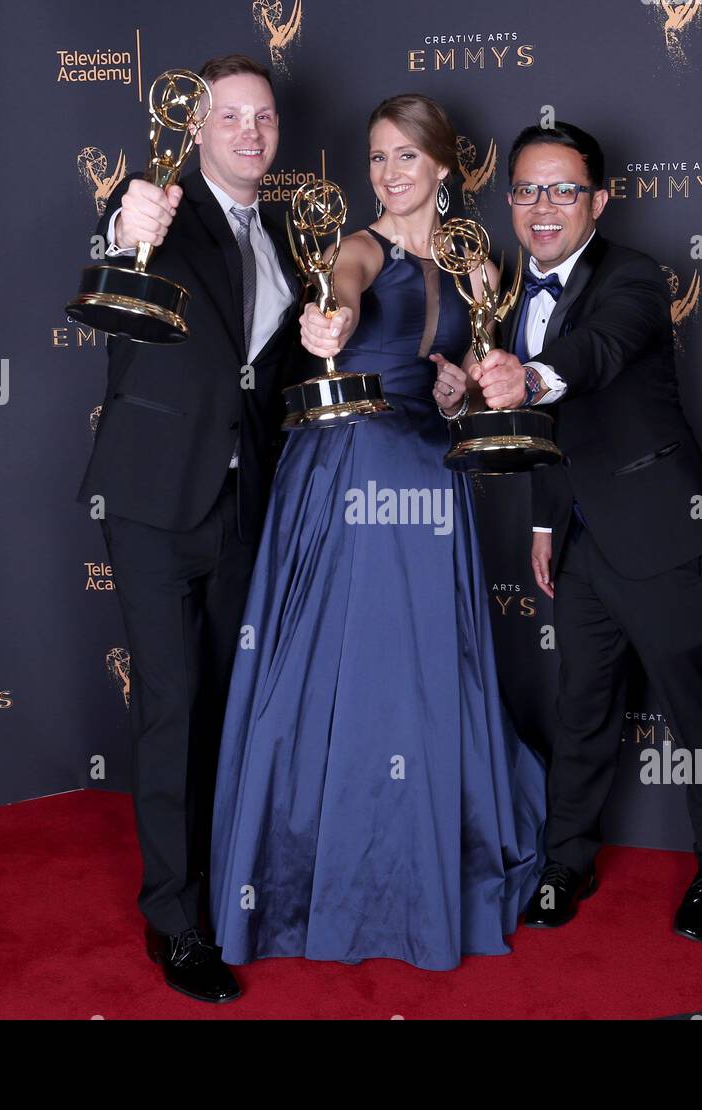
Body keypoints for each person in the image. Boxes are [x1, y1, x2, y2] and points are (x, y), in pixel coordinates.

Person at [208, 94, 545, 972]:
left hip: (434, 470)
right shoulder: (356, 247)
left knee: (423, 674)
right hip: (355, 467)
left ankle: (422, 861)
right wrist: (332, 319)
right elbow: (342, 293)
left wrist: (458, 390)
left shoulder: (478, 266)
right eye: (375, 158)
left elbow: (473, 379)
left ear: (442, 168)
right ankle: (312, 877)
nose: (387, 175)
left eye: (404, 158)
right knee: (345, 670)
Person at [472, 121, 702, 942]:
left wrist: (531, 374)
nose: (542, 206)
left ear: (599, 199)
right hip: (581, 539)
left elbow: (594, 354)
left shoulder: (634, 276)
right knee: (580, 709)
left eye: (562, 189)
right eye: (525, 189)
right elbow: (541, 428)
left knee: (694, 713)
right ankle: (567, 860)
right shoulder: (510, 291)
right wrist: (546, 522)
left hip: (662, 533)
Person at [77, 54, 300, 1002]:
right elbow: (112, 255)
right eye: (231, 116)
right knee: (171, 705)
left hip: (250, 504)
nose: (251, 132)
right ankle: (174, 921)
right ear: (198, 128)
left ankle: (229, 885)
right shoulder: (161, 207)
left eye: (266, 117)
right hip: (156, 502)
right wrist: (125, 227)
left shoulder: (292, 231)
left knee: (228, 706)